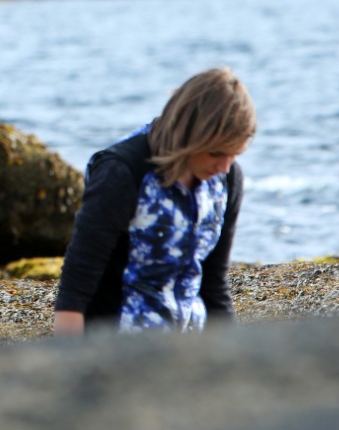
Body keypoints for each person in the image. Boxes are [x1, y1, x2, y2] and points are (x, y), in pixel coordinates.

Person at [52, 67, 256, 335]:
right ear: (189, 136)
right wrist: (68, 366)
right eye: (216, 153)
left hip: (189, 351)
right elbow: (76, 287)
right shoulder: (122, 171)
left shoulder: (227, 181)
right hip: (115, 348)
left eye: (234, 154)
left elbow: (213, 282)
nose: (224, 167)